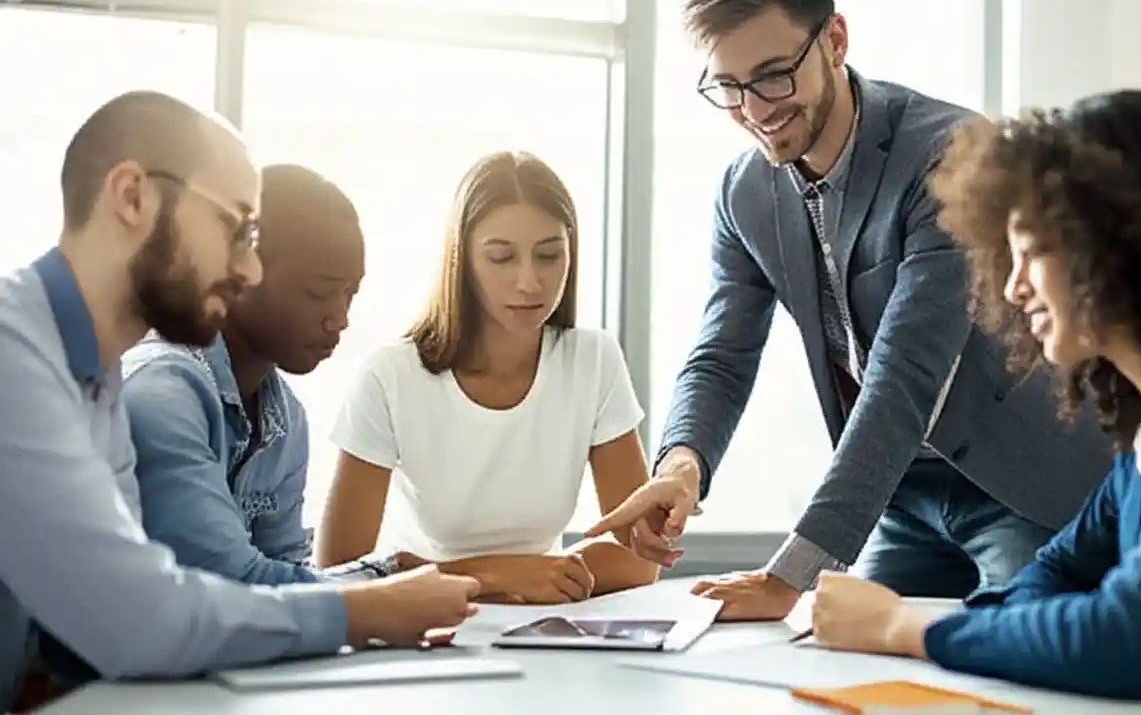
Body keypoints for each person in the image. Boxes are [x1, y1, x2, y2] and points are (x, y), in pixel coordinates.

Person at [585, 0, 1110, 620]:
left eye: (774, 75)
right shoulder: (745, 192)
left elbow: (905, 376)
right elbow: (722, 357)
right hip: (904, 496)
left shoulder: (952, 153)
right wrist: (681, 465)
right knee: (849, 660)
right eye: (728, 86)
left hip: (1020, 484)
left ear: (835, 40)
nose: (755, 111)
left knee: (1014, 659)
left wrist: (790, 576)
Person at [0, 90, 480, 712]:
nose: (251, 270)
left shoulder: (97, 380)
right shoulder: (15, 359)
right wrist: (364, 609)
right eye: (235, 228)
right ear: (132, 196)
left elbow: (89, 631)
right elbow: (139, 619)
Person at [809, 90, 1141, 714]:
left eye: (1033, 251)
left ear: (1116, 242)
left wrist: (903, 628)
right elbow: (1053, 574)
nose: (1013, 286)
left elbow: (1132, 640)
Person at [316, 151, 659, 604]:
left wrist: (537, 575)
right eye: (501, 258)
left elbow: (639, 556)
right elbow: (338, 571)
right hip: (420, 625)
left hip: (538, 624)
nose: (529, 282)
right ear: (462, 261)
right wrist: (495, 576)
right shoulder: (390, 376)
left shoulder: (593, 360)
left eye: (549, 255)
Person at [121, 163, 411, 584]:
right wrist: (387, 579)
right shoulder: (163, 393)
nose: (340, 318)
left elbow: (288, 579)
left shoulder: (285, 420)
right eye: (319, 293)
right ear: (241, 270)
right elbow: (233, 587)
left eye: (350, 294)